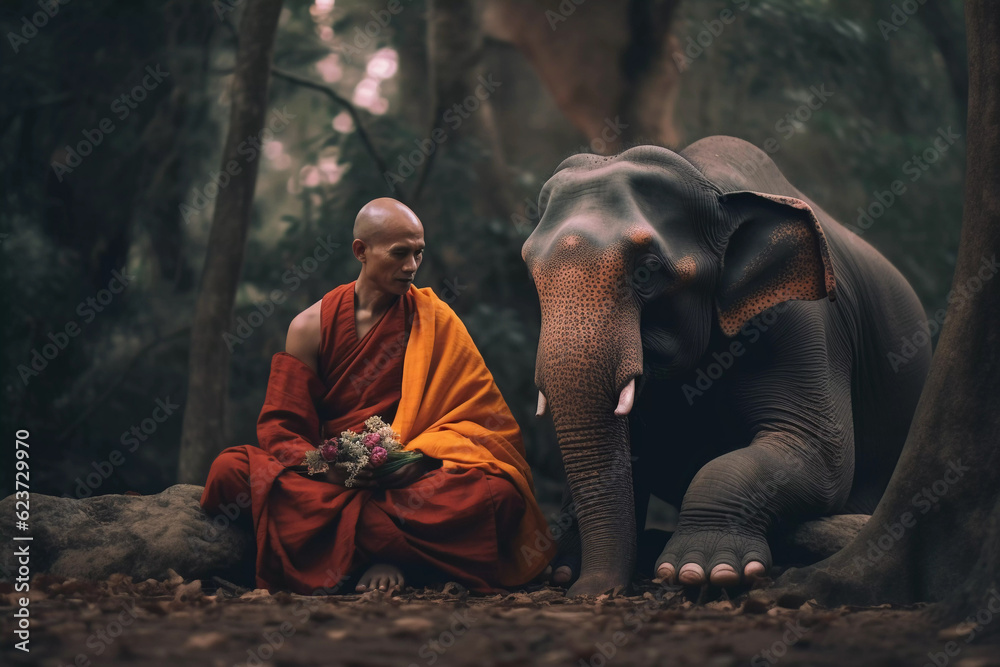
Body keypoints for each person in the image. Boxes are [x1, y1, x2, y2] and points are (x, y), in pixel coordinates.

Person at [200, 198, 555, 595]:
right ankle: (400, 554)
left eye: (419, 253)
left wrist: (420, 459)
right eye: (400, 254)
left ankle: (355, 552)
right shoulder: (309, 327)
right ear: (361, 251)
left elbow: (475, 419)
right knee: (229, 471)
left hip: (412, 484)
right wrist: (328, 468)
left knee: (500, 493)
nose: (412, 267)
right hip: (335, 482)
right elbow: (282, 429)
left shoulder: (434, 319)